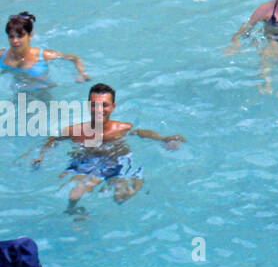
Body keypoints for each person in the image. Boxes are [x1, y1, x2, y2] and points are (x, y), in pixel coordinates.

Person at [34, 83, 184, 208]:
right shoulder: (74, 131)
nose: (99, 110)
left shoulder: (122, 129)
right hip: (86, 163)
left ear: (113, 107)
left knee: (121, 196)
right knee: (74, 195)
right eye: (94, 105)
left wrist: (164, 138)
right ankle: (74, 213)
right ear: (88, 106)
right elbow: (52, 139)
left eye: (104, 105)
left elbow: (140, 133)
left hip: (117, 163)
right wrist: (41, 156)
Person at [3, 11, 87, 81]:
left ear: (30, 36)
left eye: (20, 36)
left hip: (42, 94)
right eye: (11, 37)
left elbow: (74, 58)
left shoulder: (44, 55)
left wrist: (81, 73)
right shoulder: (2, 55)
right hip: (17, 95)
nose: (15, 41)